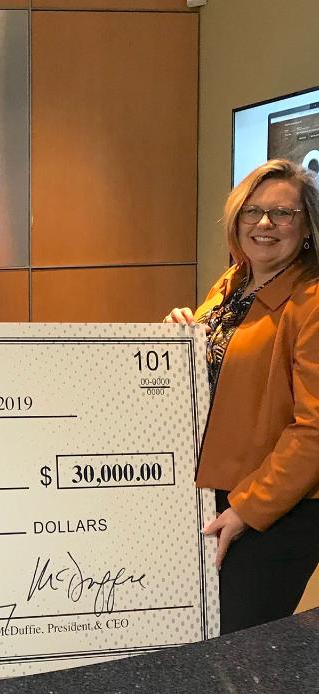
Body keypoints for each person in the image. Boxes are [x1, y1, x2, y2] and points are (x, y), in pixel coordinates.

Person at [164, 159, 319, 633]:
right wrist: (178, 338)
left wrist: (249, 509)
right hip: (213, 493)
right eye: (252, 211)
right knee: (197, 636)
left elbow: (314, 429)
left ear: (307, 227)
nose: (264, 223)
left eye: (283, 213)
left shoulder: (312, 301)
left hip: (273, 508)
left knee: (236, 646)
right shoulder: (232, 284)